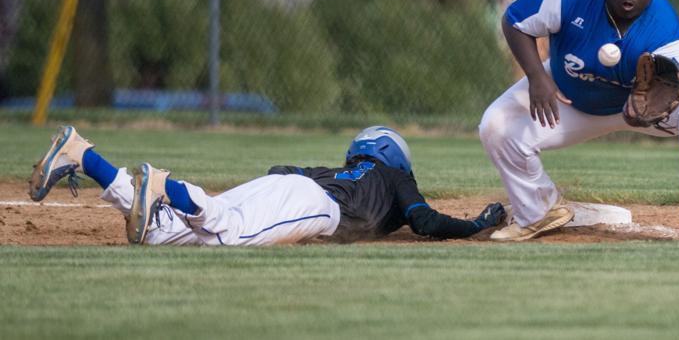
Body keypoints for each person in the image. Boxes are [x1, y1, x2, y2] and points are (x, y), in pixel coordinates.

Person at [479, 0, 679, 242]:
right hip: (567, 97)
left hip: (634, 105)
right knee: (495, 125)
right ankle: (539, 210)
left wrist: (650, 103)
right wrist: (535, 76)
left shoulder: (664, 28)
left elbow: (665, 85)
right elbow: (515, 19)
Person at [29, 125, 506, 246]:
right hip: (315, 204)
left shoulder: (336, 169)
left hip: (286, 183)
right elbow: (423, 221)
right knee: (230, 234)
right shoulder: (396, 177)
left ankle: (82, 154)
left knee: (160, 232)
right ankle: (161, 182)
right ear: (395, 157)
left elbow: (282, 169)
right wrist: (474, 225)